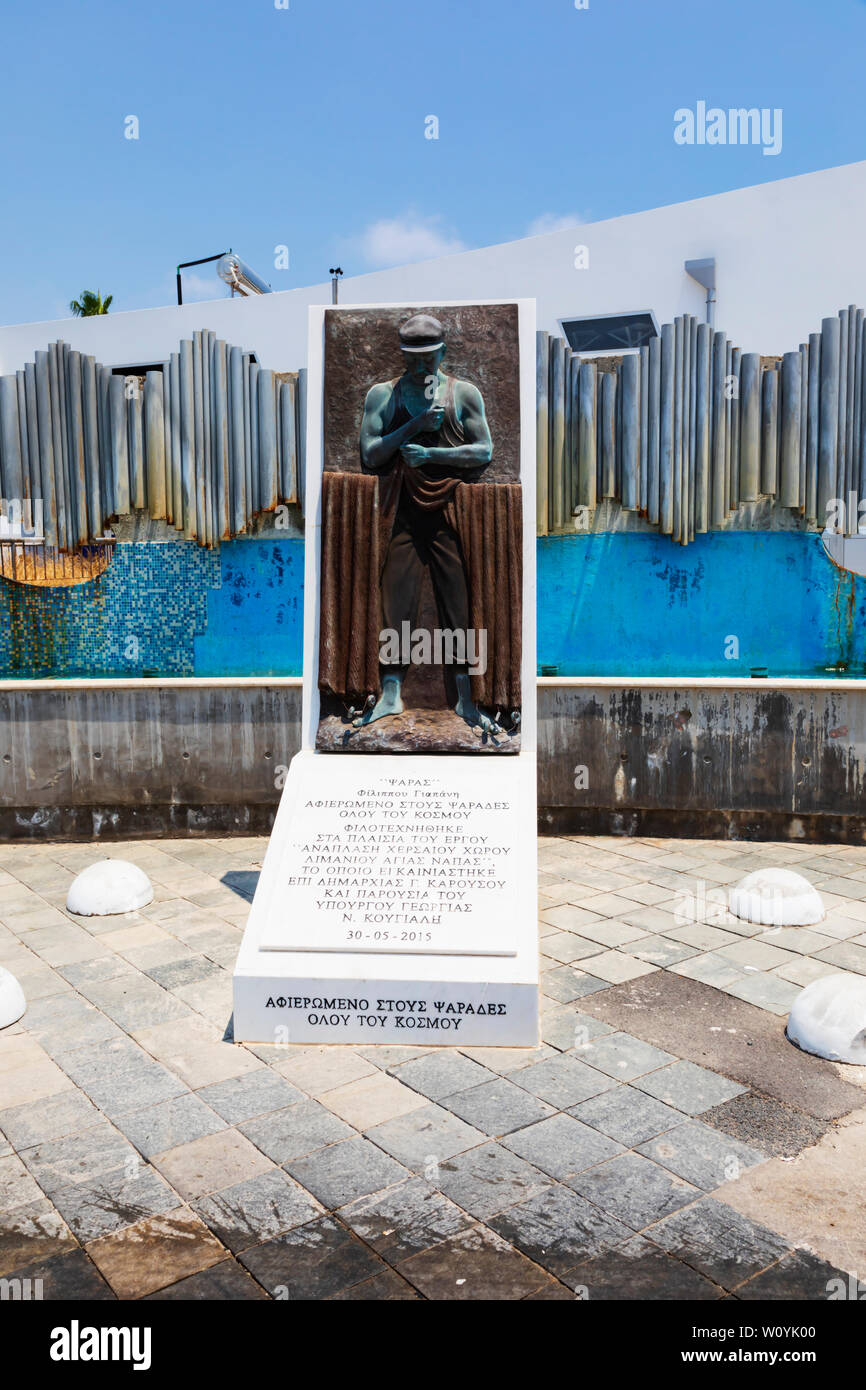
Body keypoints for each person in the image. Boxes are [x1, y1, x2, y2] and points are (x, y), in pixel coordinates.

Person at [356, 313, 500, 733]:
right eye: (413, 359)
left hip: (451, 514)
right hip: (402, 510)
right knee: (396, 600)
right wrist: (414, 426)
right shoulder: (384, 395)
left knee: (457, 604)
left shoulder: (464, 393)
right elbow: (370, 455)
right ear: (402, 355)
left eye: (429, 357)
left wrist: (434, 455)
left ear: (443, 352)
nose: (421, 366)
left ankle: (465, 694)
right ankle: (391, 692)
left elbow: (484, 452)